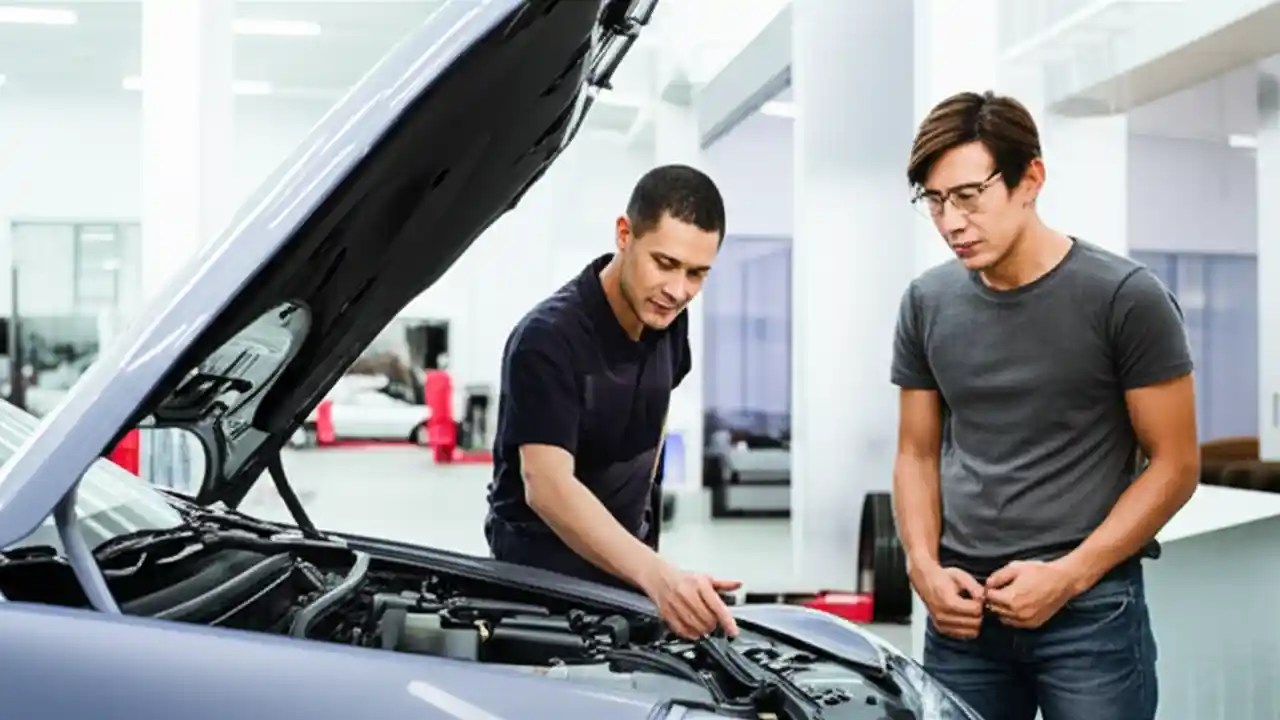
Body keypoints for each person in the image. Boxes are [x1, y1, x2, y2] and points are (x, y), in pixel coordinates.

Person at [890, 90, 1200, 720]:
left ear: (1030, 178)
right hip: (962, 616)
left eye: (968, 196)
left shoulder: (1125, 298)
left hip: (1089, 616)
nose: (951, 222)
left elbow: (1175, 465)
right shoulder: (927, 302)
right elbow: (916, 452)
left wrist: (1070, 575)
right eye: (934, 200)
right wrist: (922, 565)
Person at [484, 164, 740, 641]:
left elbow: (652, 425)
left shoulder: (668, 322)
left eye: (697, 273)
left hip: (625, 579)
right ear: (625, 234)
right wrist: (658, 575)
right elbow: (547, 486)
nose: (678, 291)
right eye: (664, 263)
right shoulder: (547, 339)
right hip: (540, 592)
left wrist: (647, 562)